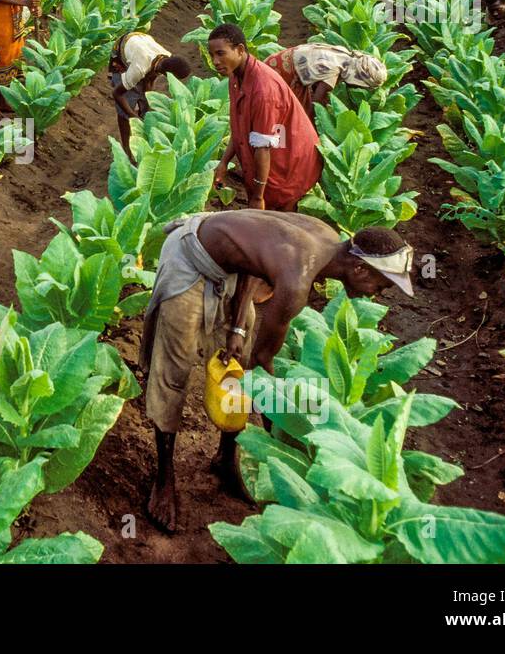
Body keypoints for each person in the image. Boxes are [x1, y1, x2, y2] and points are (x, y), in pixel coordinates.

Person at [141, 212, 415, 529]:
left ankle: (226, 460)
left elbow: (253, 263)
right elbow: (263, 370)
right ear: (359, 268)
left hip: (229, 265)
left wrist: (238, 328)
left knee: (238, 355)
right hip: (191, 257)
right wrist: (285, 432)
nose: (376, 295)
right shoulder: (298, 279)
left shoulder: (326, 239)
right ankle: (164, 478)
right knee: (174, 370)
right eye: (380, 286)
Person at [207, 23, 322, 212]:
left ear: (240, 50)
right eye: (212, 55)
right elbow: (239, 128)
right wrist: (224, 162)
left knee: (282, 214)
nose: (215, 61)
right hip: (276, 153)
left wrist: (258, 197)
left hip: (292, 161)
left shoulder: (263, 90)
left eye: (221, 53)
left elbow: (263, 147)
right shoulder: (236, 76)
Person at [110, 30, 191, 157]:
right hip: (122, 49)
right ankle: (127, 150)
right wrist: (133, 116)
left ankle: (142, 139)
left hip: (141, 42)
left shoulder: (165, 58)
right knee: (127, 102)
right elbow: (117, 94)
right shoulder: (140, 67)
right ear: (167, 73)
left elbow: (150, 79)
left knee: (144, 102)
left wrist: (146, 108)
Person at [262, 42, 388, 119]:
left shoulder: (345, 56)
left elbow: (317, 86)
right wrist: (316, 122)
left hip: (279, 61)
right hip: (280, 72)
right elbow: (316, 104)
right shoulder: (333, 72)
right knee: (293, 112)